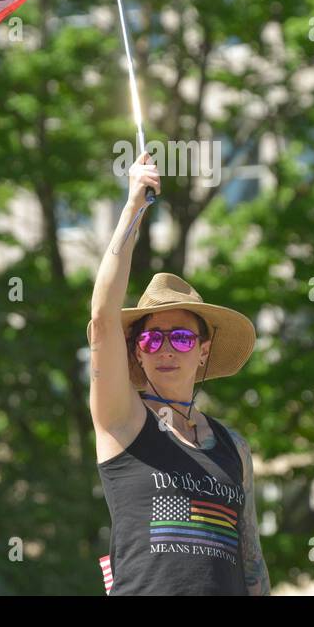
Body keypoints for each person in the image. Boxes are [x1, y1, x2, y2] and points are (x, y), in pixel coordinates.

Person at [87, 150, 271, 595]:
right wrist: (132, 206)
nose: (167, 349)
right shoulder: (124, 421)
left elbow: (252, 563)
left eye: (183, 339)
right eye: (152, 339)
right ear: (138, 353)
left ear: (204, 351)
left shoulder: (233, 448)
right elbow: (103, 320)